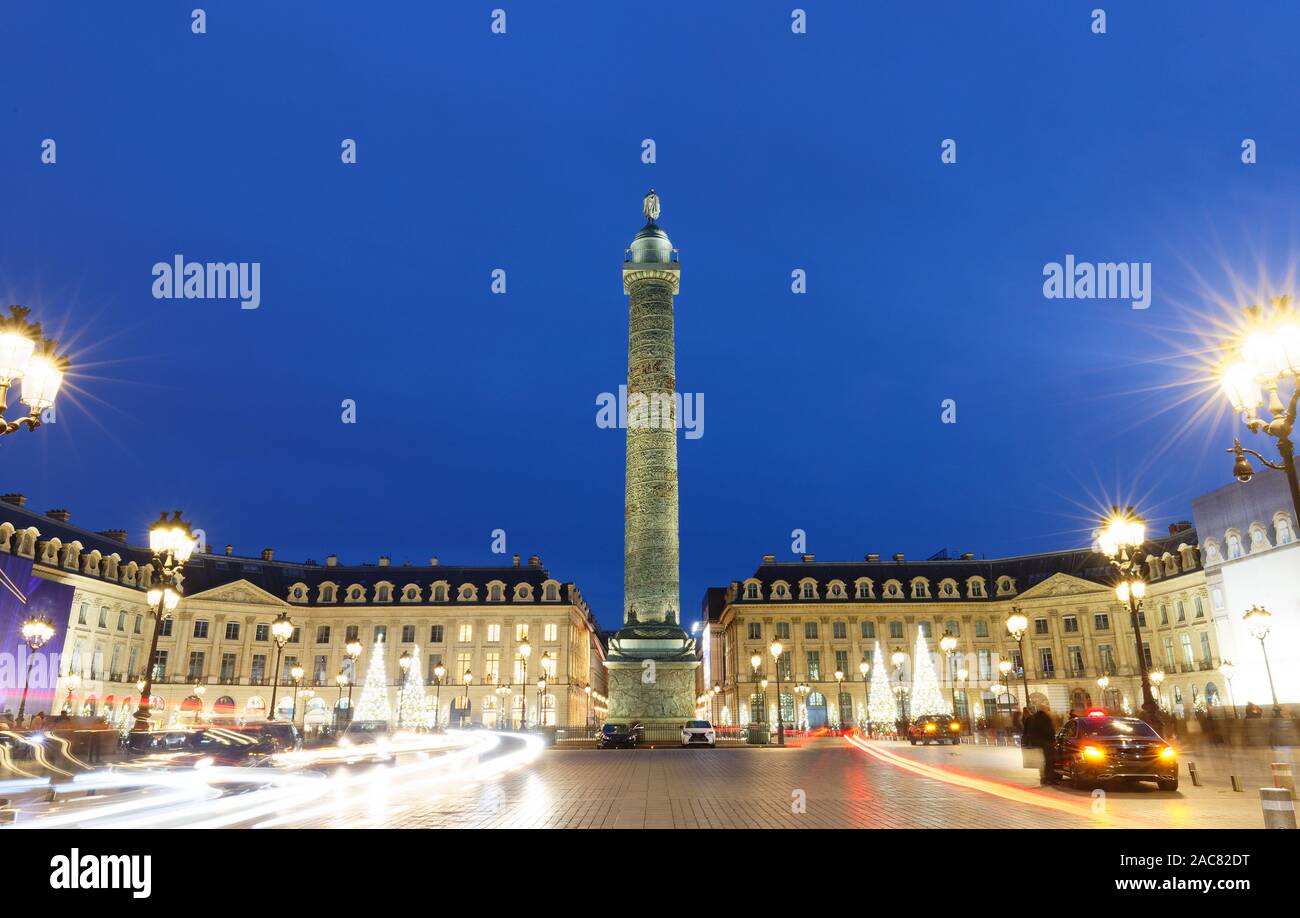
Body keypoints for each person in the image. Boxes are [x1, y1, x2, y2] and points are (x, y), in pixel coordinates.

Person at [1022, 704, 1058, 785]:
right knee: (1049, 761)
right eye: (1048, 710)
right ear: (1045, 710)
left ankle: (1043, 778)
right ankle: (1049, 779)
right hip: (1046, 743)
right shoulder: (1046, 718)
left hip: (1035, 743)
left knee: (1041, 761)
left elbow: (1027, 731)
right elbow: (1049, 730)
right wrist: (1053, 740)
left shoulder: (1032, 718)